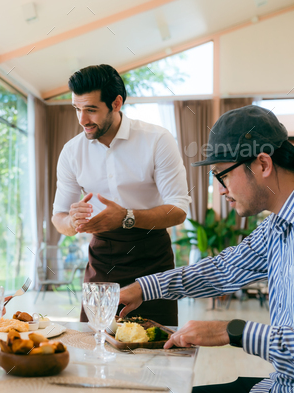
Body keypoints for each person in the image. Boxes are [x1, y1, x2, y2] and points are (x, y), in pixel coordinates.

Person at [119, 105, 294, 393]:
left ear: (263, 164)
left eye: (222, 175)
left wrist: (233, 331)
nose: (222, 190)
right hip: (282, 385)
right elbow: (222, 269)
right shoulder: (277, 225)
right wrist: (142, 288)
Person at [52, 64, 191, 325]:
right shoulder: (71, 152)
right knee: (93, 343)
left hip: (153, 263)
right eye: (77, 109)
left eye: (91, 109)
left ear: (116, 103)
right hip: (102, 262)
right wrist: (73, 222)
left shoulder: (157, 140)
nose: (82, 120)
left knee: (157, 345)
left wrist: (126, 217)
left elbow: (178, 210)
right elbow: (58, 218)